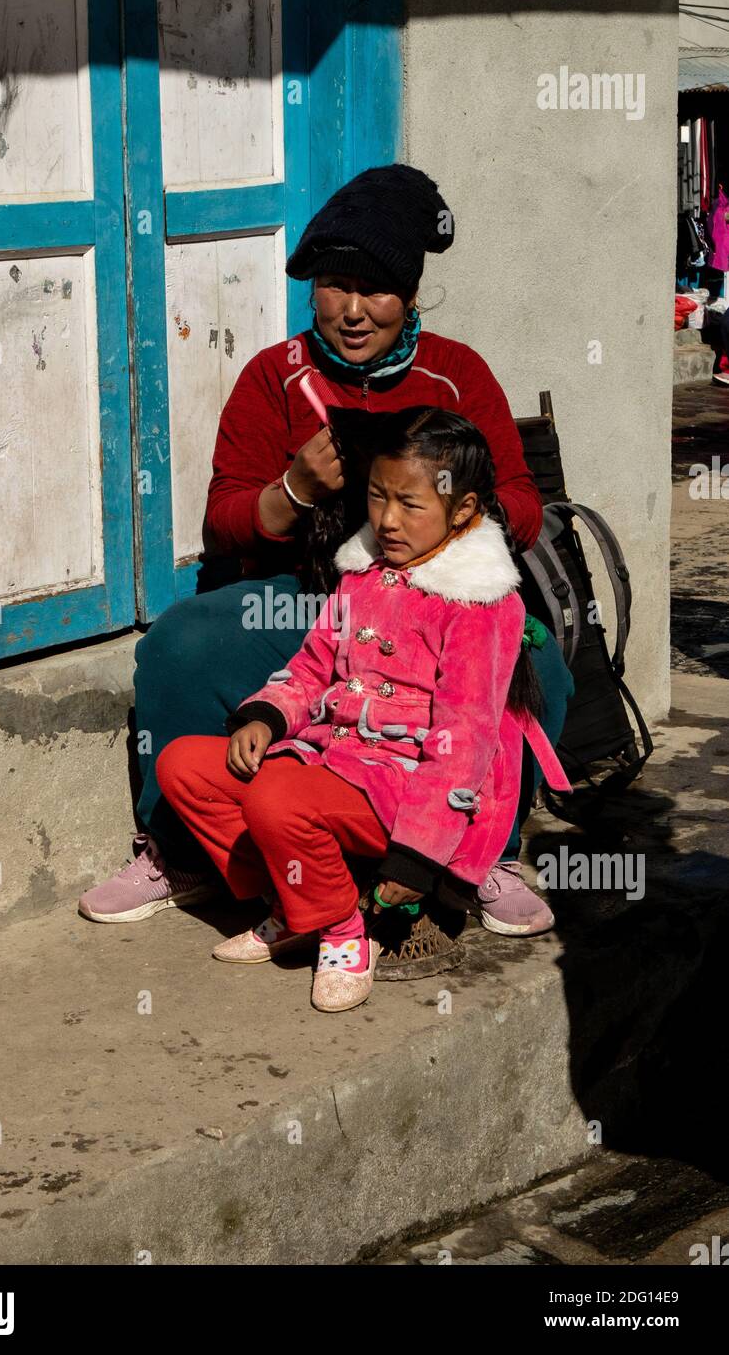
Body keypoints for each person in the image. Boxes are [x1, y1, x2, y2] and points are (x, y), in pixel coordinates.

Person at [78, 163, 573, 929]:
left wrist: (449, 521)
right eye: (333, 286)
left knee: (533, 667)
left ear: (409, 294)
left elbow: (522, 501)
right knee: (177, 646)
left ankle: (482, 854)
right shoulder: (272, 379)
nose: (351, 311)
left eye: (374, 290)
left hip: (433, 608)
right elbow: (224, 520)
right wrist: (295, 490)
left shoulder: (457, 377)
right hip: (306, 603)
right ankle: (180, 852)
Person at [155, 411, 572, 1013]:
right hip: (334, 760)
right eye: (377, 497)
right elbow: (311, 667)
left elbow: (465, 744)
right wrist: (266, 718)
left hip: (406, 791)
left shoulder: (481, 607)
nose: (388, 520)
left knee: (276, 801)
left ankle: (345, 931)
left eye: (410, 504)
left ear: (462, 509)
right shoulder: (364, 577)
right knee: (183, 767)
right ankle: (298, 902)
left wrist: (418, 858)